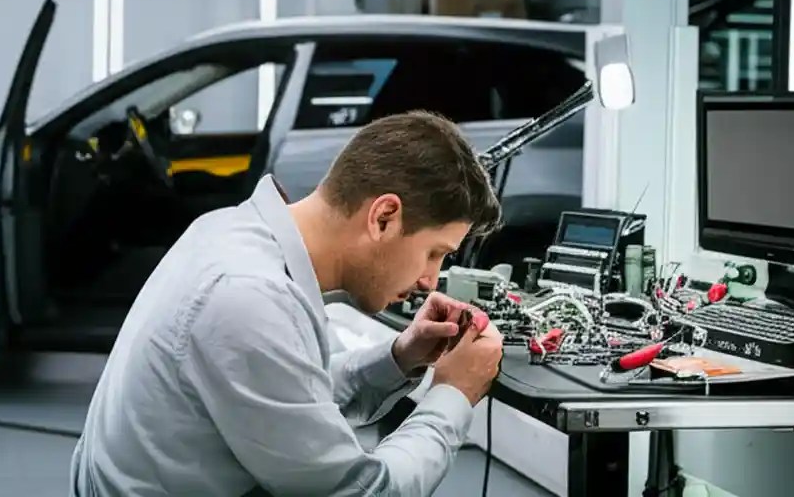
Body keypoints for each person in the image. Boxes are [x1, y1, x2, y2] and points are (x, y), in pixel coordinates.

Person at [70, 110, 506, 496]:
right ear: (383, 218)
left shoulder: (229, 231)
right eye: (434, 252)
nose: (431, 281)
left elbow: (285, 397)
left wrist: (398, 358)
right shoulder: (248, 296)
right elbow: (364, 492)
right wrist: (454, 395)